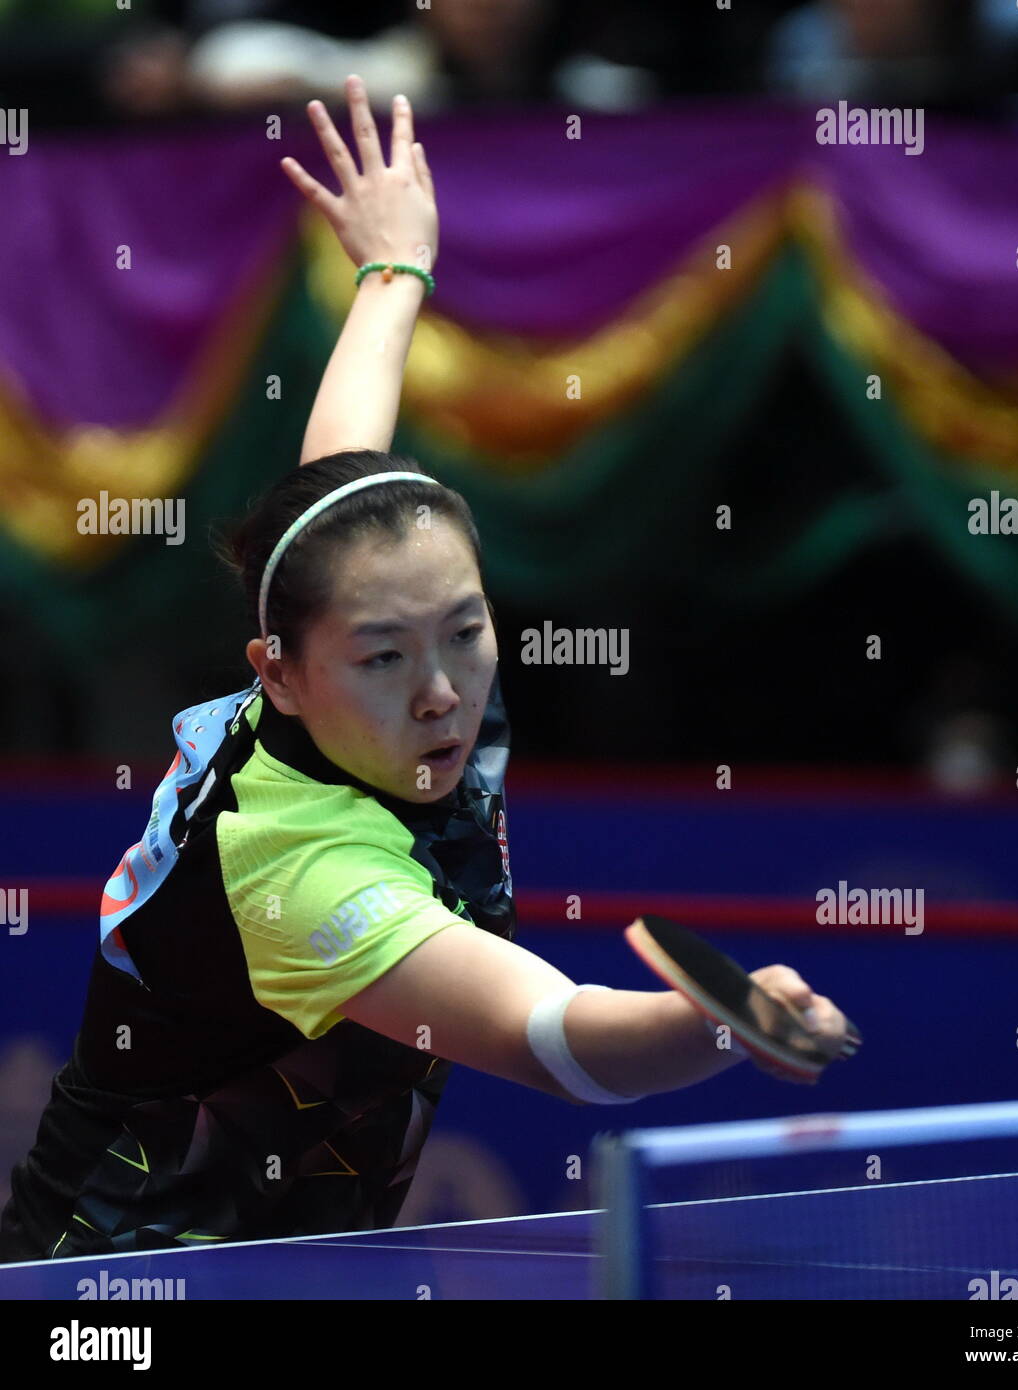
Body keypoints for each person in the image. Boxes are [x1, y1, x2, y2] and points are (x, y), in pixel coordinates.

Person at [0, 78, 849, 1261]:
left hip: (296, 1265)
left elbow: (345, 481)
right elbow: (548, 1034)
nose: (445, 687)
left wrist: (394, 268)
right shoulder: (304, 866)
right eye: (388, 655)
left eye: (465, 627)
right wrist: (713, 1024)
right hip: (123, 1284)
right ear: (277, 672)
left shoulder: (371, 629)